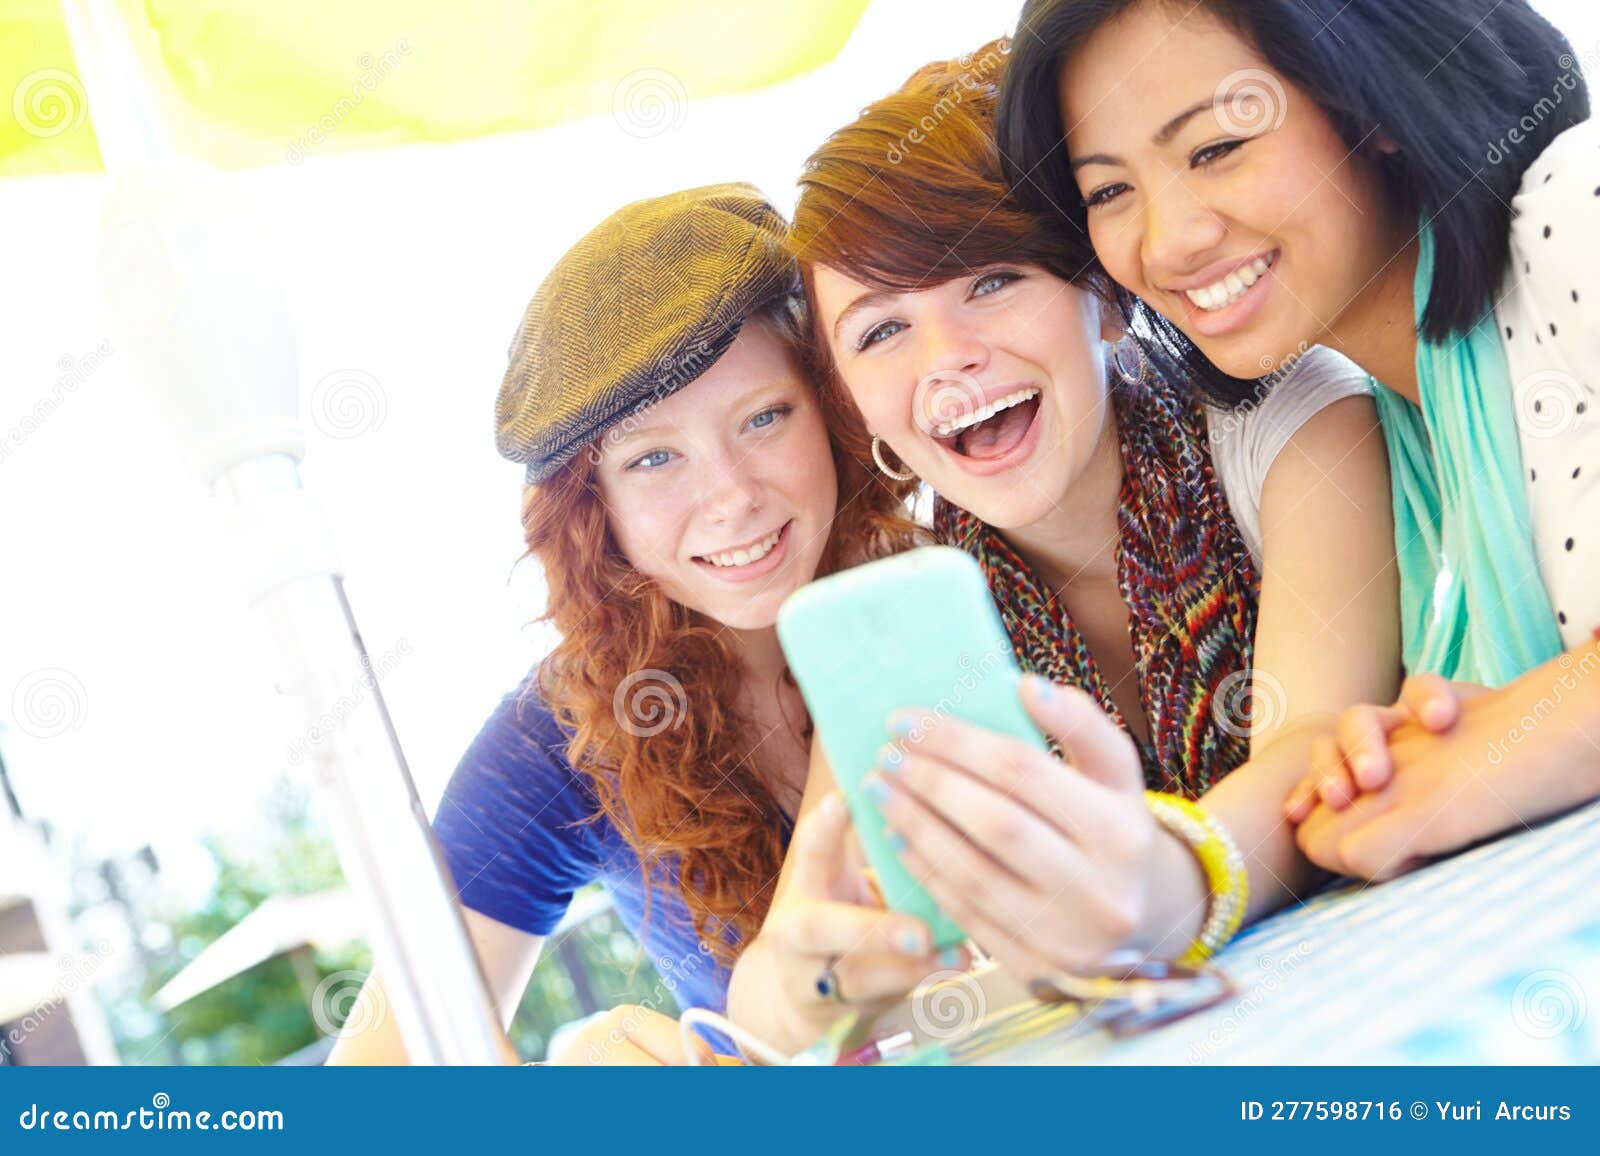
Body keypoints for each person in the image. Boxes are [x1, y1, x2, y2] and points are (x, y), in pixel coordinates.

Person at [724, 45, 1400, 1056]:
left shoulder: (1289, 419)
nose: (949, 359)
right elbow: (783, 965)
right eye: (881, 332)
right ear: (854, 408)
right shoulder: (906, 612)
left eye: (992, 280)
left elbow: (1313, 743)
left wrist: (1162, 886)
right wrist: (802, 993)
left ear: (1105, 291)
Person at [326, 183, 929, 1064]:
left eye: (764, 417)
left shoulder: (954, 577)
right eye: (653, 459)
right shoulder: (561, 737)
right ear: (591, 508)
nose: (731, 497)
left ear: (830, 405)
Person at [996, 0, 1600, 880]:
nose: (1170, 242)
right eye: (1110, 192)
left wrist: (1522, 739)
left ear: (1374, 104)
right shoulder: (1412, 440)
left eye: (1216, 148)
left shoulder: (1576, 211)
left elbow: (1511, 746)